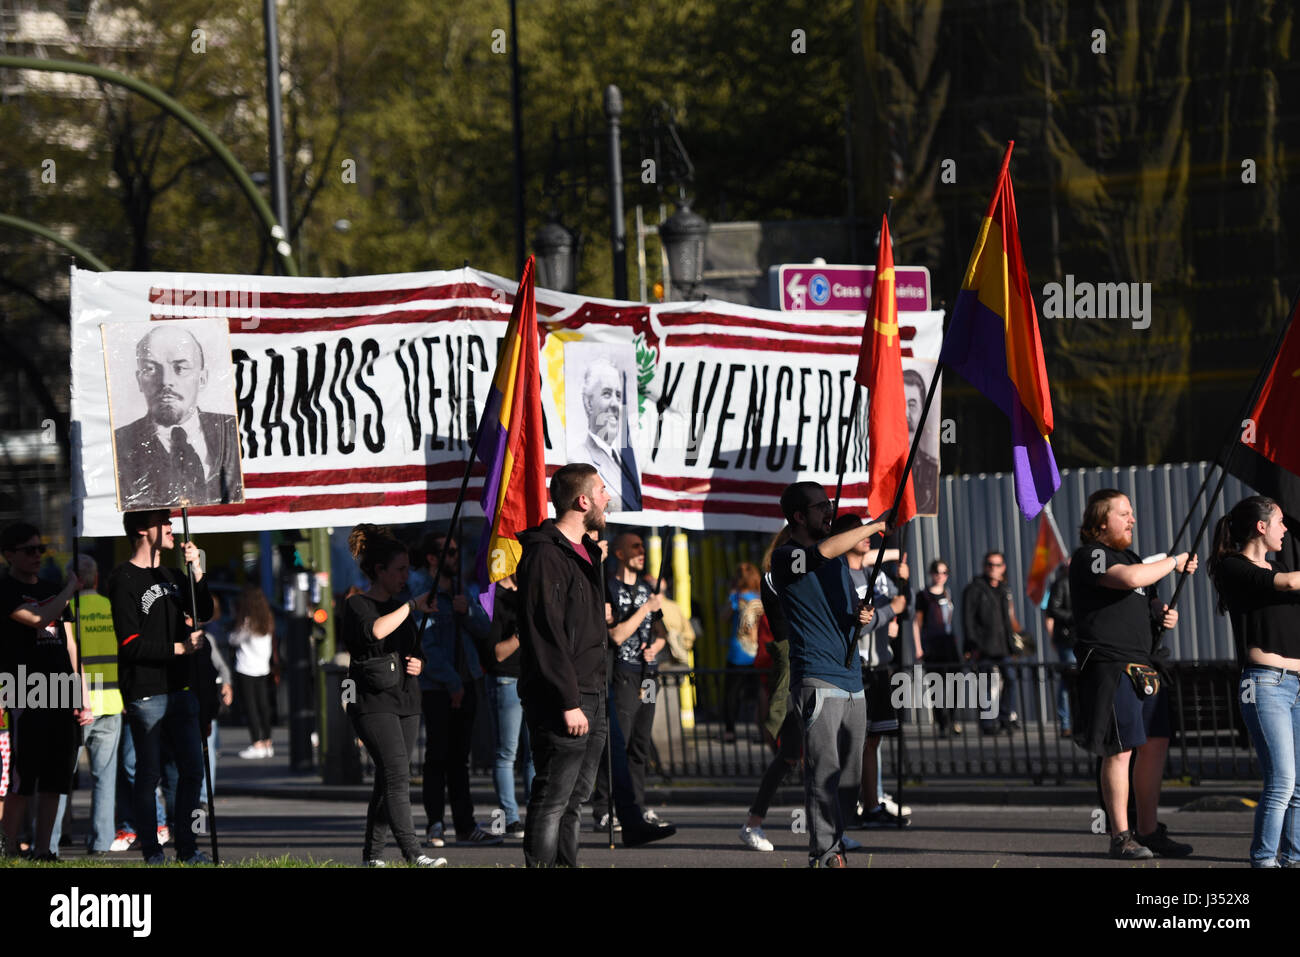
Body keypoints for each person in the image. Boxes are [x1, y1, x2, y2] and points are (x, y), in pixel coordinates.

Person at [1069, 488, 1197, 860]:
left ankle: (1148, 829)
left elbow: (1145, 592)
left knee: (1154, 745)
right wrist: (1173, 562)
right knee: (1120, 750)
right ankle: (1120, 835)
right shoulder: (1091, 556)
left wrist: (1160, 613)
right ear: (1100, 520)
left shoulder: (1133, 557)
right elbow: (1127, 578)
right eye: (1123, 513)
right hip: (1111, 667)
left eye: (1132, 513)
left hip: (1145, 666)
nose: (1132, 519)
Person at [769, 481, 885, 867]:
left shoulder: (836, 563)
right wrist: (873, 525)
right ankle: (825, 855)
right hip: (818, 679)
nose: (828, 512)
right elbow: (819, 552)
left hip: (852, 680)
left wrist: (861, 619)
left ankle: (835, 841)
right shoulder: (787, 558)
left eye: (828, 504)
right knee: (824, 773)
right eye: (820, 507)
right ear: (799, 516)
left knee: (848, 779)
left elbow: (847, 619)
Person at [107, 509, 212, 865]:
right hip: (147, 691)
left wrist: (196, 571)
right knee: (148, 774)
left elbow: (205, 611)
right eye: (163, 522)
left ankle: (188, 846)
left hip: (181, 687)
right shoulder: (123, 578)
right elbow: (130, 643)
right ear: (142, 529)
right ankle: (152, 849)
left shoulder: (171, 574)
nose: (171, 527)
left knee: (192, 771)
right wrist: (179, 648)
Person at [338, 523, 444, 867]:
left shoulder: (402, 607)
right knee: (398, 775)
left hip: (406, 700)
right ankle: (414, 853)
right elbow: (374, 632)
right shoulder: (358, 605)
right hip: (372, 702)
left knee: (387, 780)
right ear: (379, 570)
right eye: (399, 569)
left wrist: (419, 664)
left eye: (407, 569)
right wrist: (412, 606)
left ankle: (372, 856)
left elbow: (415, 650)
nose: (405, 575)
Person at [1208, 496, 1300, 867]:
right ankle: (1264, 861)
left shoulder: (1277, 565)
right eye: (1279, 521)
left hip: (1296, 683)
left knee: (1299, 786)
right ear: (1261, 526)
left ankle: (1294, 858)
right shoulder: (1234, 566)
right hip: (1266, 684)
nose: (1285, 528)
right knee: (1282, 781)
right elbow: (1287, 582)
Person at [0, 523, 90, 860]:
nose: (37, 555)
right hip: (26, 692)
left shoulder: (53, 588)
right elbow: (38, 619)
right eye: (29, 550)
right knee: (23, 778)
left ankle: (43, 849)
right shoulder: (7, 590)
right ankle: (7, 848)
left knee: (56, 778)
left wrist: (80, 694)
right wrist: (69, 590)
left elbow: (69, 645)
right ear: (9, 555)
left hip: (60, 693)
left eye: (41, 549)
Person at [415, 531, 499, 847]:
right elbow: (429, 646)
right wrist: (451, 683)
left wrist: (469, 610)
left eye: (455, 552)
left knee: (459, 760)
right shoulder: (426, 592)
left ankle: (465, 824)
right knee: (438, 756)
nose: (455, 557)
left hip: (468, 680)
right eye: (448, 553)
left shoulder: (463, 592)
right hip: (439, 687)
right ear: (432, 559)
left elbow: (484, 629)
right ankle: (435, 823)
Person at [112, 325, 243, 510]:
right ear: (139, 380)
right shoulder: (119, 445)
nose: (166, 381)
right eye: (150, 369)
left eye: (180, 368)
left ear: (203, 378)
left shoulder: (233, 431)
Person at [835, 515, 911, 828]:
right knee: (854, 740)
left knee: (873, 739)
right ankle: (846, 805)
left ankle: (871, 804)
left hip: (881, 665)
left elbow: (901, 604)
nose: (868, 538)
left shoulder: (873, 573)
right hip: (857, 667)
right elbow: (854, 627)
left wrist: (903, 583)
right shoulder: (840, 577)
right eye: (860, 533)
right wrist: (888, 612)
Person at [591, 532, 666, 824]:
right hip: (623, 674)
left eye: (643, 547)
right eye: (635, 547)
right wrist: (644, 609)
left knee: (640, 744)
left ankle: (636, 804)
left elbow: (663, 635)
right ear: (620, 553)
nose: (641, 551)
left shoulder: (649, 587)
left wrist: (654, 648)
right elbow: (616, 635)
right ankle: (604, 808)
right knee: (617, 744)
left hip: (648, 676)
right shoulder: (609, 587)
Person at [57, 555, 122, 855]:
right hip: (111, 700)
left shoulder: (67, 610)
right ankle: (101, 842)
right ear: (96, 579)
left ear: (74, 580)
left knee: (58, 780)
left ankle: (52, 839)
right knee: (104, 778)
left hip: (76, 703)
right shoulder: (111, 608)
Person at [474, 574, 533, 837]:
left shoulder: (529, 592)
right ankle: (510, 817)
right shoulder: (491, 598)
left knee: (534, 753)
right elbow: (496, 653)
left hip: (533, 679)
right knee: (507, 752)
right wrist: (522, 633)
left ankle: (536, 814)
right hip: (506, 679)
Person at [962, 551, 1023, 734]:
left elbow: (1007, 620)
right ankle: (988, 723)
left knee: (1011, 679)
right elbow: (968, 620)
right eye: (990, 564)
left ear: (1003, 568)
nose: (993, 568)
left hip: (1003, 645)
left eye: (997, 565)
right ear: (984, 566)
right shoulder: (974, 588)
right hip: (983, 646)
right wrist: (973, 645)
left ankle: (1005, 717)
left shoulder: (1003, 590)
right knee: (986, 684)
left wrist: (1012, 645)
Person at [577, 358, 641, 512]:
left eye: (618, 396)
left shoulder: (626, 461)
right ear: (588, 403)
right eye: (606, 394)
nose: (615, 404)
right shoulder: (579, 461)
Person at [913, 558, 961, 735]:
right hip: (932, 644)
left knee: (955, 682)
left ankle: (953, 719)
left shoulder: (947, 593)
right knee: (937, 684)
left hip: (948, 642)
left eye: (944, 573)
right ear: (931, 574)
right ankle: (942, 722)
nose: (940, 576)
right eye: (937, 572)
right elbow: (916, 623)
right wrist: (918, 647)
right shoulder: (923, 595)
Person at [229, 585, 276, 759]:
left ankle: (257, 742)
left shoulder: (248, 621)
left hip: (246, 666)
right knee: (264, 705)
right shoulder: (268, 619)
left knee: (251, 707)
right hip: (262, 666)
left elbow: (234, 639)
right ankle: (268, 741)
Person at [721, 563, 762, 745]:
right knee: (760, 693)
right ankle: (762, 730)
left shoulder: (736, 598)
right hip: (759, 652)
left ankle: (730, 732)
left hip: (738, 653)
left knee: (732, 694)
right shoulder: (761, 598)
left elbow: (723, 618)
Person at [1045, 560, 1076, 737]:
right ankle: (1065, 723)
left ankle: (1080, 721)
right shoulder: (1062, 583)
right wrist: (1075, 617)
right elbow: (1052, 609)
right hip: (1067, 639)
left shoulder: (1086, 583)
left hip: (1083, 639)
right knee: (1067, 681)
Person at [902, 368, 939, 515]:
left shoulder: (931, 470)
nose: (906, 414)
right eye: (900, 404)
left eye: (912, 405)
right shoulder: (872, 470)